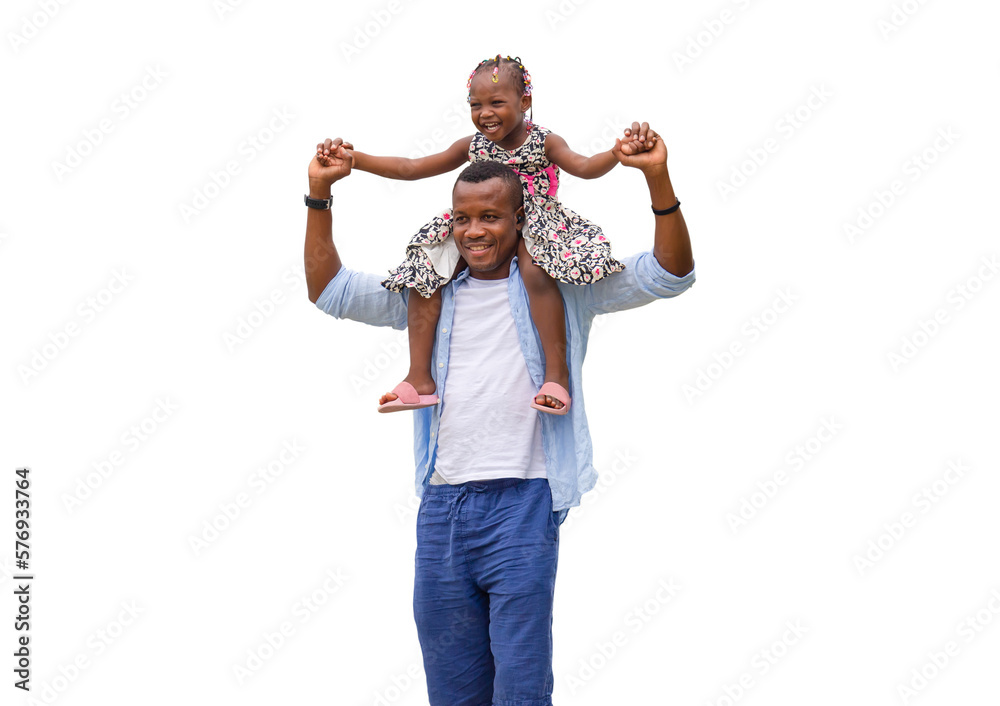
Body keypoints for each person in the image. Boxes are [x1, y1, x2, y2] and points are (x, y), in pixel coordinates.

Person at [303, 121, 694, 706]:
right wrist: (320, 196)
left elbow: (669, 274)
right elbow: (328, 289)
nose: (474, 231)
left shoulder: (562, 285)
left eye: (490, 217)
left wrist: (658, 181)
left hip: (524, 500)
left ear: (520, 221)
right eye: (463, 219)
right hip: (443, 507)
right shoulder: (426, 293)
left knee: (520, 685)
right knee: (454, 689)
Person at [330, 55, 647, 415]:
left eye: (497, 102)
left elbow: (586, 168)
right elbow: (411, 168)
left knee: (533, 269)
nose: (485, 113)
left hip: (533, 223)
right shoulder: (473, 145)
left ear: (524, 102)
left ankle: (556, 376)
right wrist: (356, 159)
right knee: (427, 267)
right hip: (481, 221)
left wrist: (617, 154)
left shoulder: (545, 141)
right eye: (475, 105)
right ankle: (420, 378)